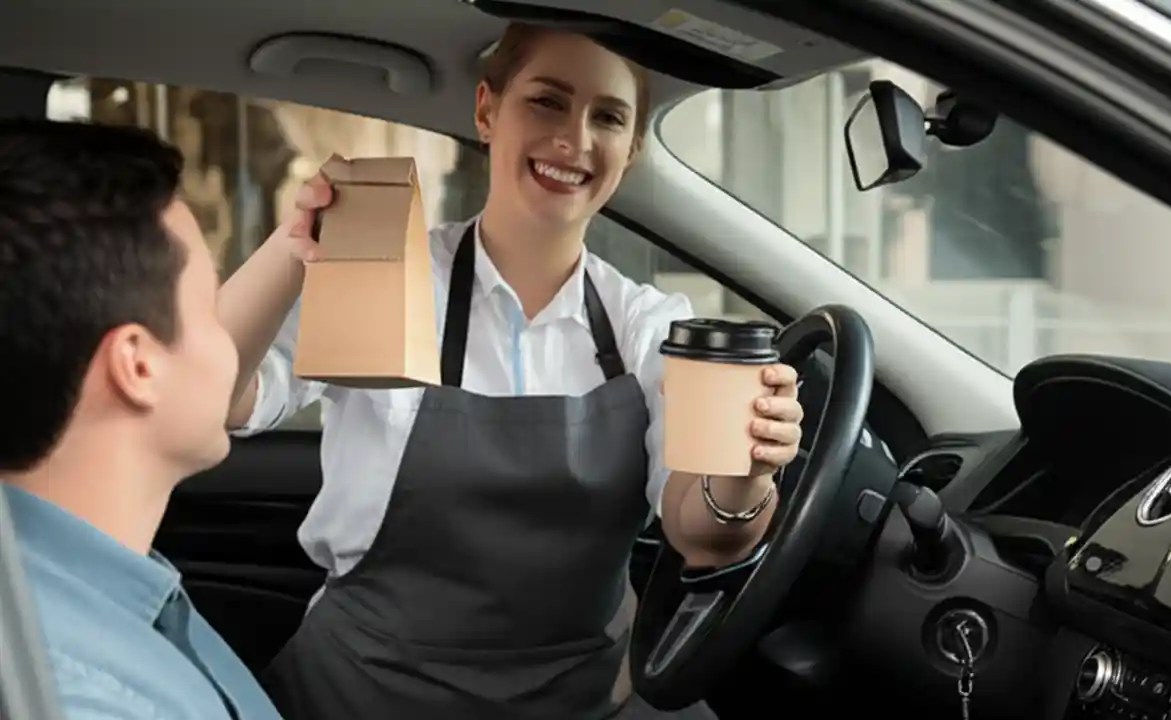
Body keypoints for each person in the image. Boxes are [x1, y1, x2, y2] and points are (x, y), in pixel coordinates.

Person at [220, 22, 804, 720]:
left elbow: (701, 534)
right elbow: (218, 395)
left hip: (586, 703)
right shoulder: (384, 274)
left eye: (608, 117)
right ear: (487, 111)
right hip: (366, 694)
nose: (575, 139)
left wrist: (749, 471)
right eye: (547, 101)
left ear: (632, 149)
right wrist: (290, 251)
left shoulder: (649, 326)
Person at [0, 119, 282, 720]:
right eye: (210, 305)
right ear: (138, 364)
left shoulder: (99, 590)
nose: (229, 344)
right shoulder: (78, 699)